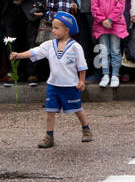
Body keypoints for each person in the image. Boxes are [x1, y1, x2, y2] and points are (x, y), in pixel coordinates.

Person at [10, 11, 90, 147]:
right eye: (53, 27)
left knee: (77, 109)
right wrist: (19, 55)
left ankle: (86, 129)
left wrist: (81, 81)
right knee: (50, 111)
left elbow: (82, 65)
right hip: (53, 85)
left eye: (56, 28)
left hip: (71, 86)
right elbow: (34, 51)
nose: (53, 31)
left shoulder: (76, 47)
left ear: (67, 30)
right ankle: (49, 136)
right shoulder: (49, 45)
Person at [91, 0, 128, 88]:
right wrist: (103, 20)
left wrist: (111, 19)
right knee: (103, 50)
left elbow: (120, 6)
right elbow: (94, 6)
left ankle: (115, 75)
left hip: (115, 24)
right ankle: (105, 74)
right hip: (101, 25)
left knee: (115, 50)